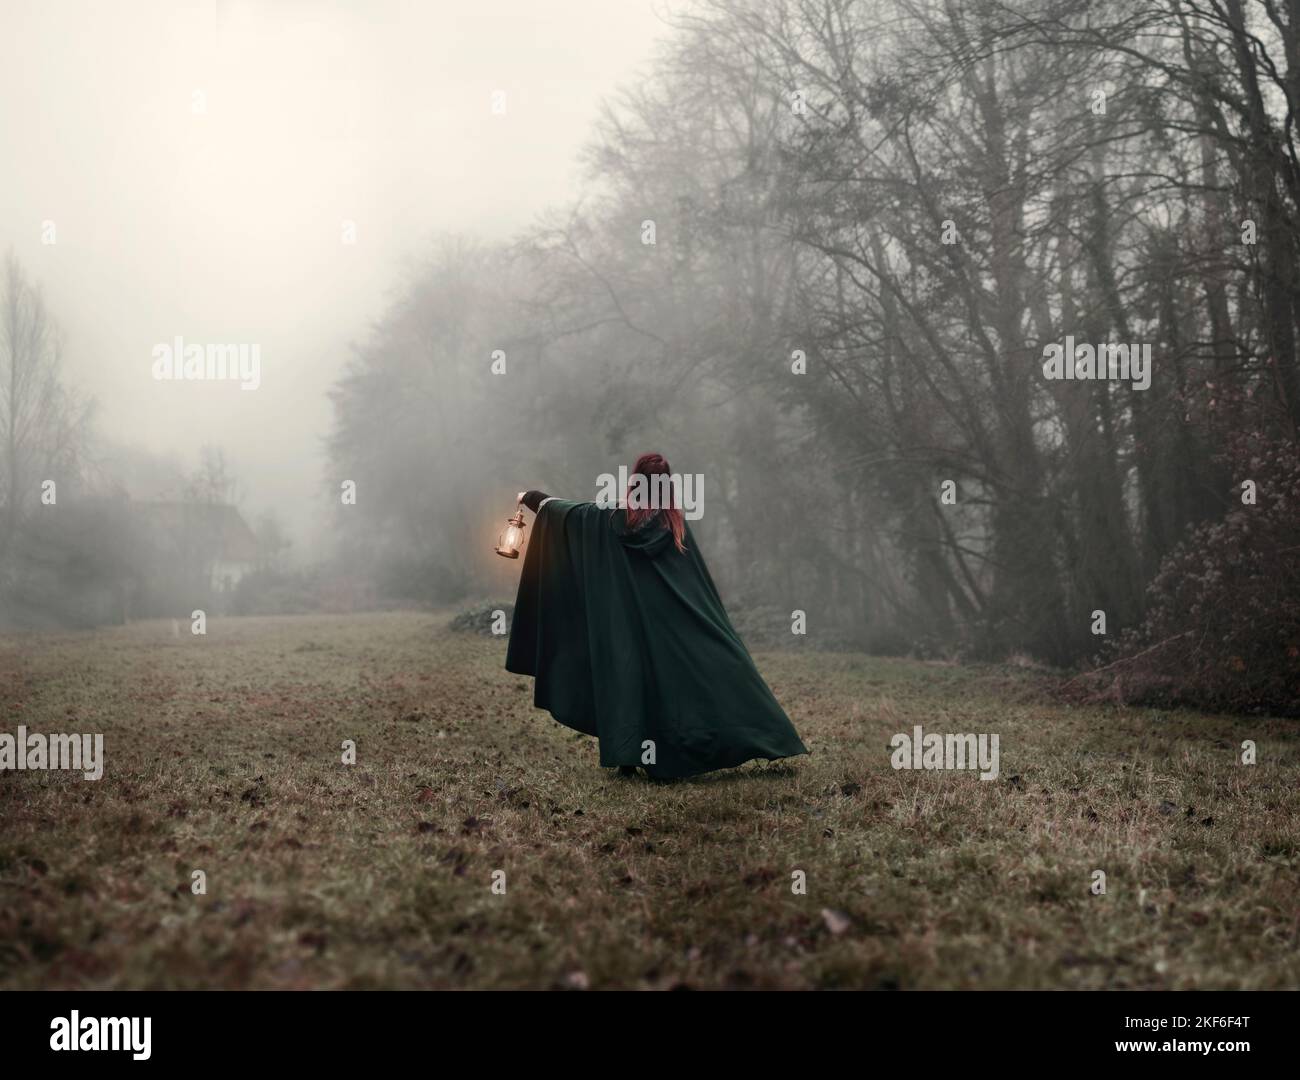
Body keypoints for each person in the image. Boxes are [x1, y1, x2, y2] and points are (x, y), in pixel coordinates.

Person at [504, 452, 808, 780]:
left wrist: (531, 497)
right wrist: (709, 625)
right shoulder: (674, 525)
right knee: (683, 679)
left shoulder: (611, 518)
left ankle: (628, 757)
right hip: (668, 628)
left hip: (625, 628)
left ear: (635, 480)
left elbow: (569, 513)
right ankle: (766, 737)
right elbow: (695, 588)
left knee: (626, 678)